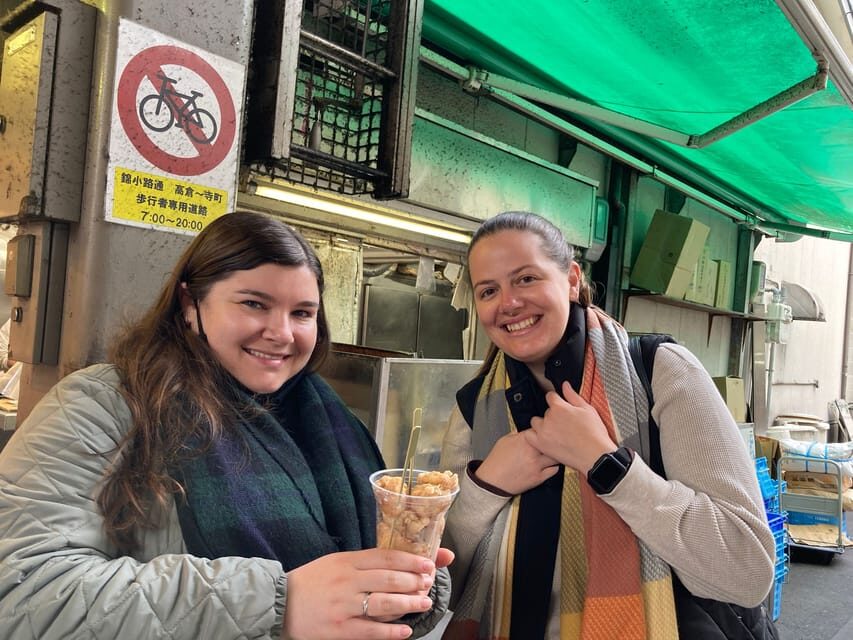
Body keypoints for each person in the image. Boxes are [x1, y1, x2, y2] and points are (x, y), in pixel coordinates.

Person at [0, 211, 451, 640]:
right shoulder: (105, 404)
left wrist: (405, 578)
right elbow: (25, 593)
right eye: (254, 304)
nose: (282, 333)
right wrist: (279, 603)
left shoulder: (330, 422)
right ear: (190, 304)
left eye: (302, 313)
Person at [439, 211, 775, 639]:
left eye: (526, 279)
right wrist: (486, 486)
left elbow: (747, 573)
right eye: (489, 290)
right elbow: (438, 589)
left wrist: (607, 465)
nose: (508, 303)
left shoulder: (661, 373)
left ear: (571, 279)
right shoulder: (472, 412)